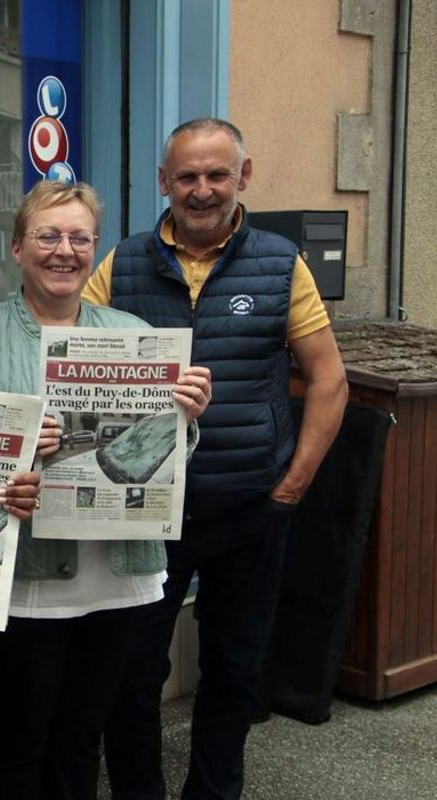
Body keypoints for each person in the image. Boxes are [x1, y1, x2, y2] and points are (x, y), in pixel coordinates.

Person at [87, 118, 348, 799]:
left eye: (216, 175)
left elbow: (329, 379)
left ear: (243, 176)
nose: (201, 190)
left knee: (234, 671)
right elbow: (71, 357)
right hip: (146, 513)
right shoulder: (122, 263)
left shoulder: (281, 264)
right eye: (187, 177)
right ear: (163, 182)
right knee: (133, 673)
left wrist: (292, 486)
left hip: (249, 508)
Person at [0, 180, 213, 799]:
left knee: (82, 741)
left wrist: (185, 418)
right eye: (48, 236)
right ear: (18, 248)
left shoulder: (131, 332)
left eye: (80, 238)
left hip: (113, 576)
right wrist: (14, 446)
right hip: (27, 580)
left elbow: (169, 457)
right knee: (16, 743)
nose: (64, 250)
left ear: (94, 250)